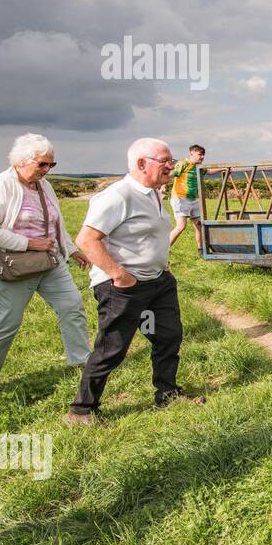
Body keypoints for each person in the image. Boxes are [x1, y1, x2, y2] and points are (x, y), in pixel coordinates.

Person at [67, 138, 204, 425]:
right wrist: (120, 275)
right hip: (124, 288)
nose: (172, 165)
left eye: (172, 160)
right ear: (142, 164)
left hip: (158, 283)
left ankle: (167, 393)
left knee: (167, 336)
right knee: (113, 347)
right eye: (165, 161)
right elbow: (86, 240)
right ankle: (82, 410)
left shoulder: (154, 192)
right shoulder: (118, 195)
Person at [0, 134, 92, 394]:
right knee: (7, 321)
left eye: (51, 165)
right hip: (11, 264)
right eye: (42, 165)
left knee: (72, 307)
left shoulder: (43, 185)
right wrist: (28, 243)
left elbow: (54, 223)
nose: (47, 170)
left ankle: (82, 361)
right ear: (21, 162)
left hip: (50, 261)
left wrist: (70, 249)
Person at [166, 144, 205, 250]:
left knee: (199, 226)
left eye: (203, 155)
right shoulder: (183, 164)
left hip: (194, 199)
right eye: (200, 154)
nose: (202, 157)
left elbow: (209, 171)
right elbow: (171, 175)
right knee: (181, 226)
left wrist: (224, 170)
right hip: (180, 198)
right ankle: (163, 251)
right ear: (191, 153)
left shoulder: (198, 167)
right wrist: (162, 185)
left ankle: (201, 249)